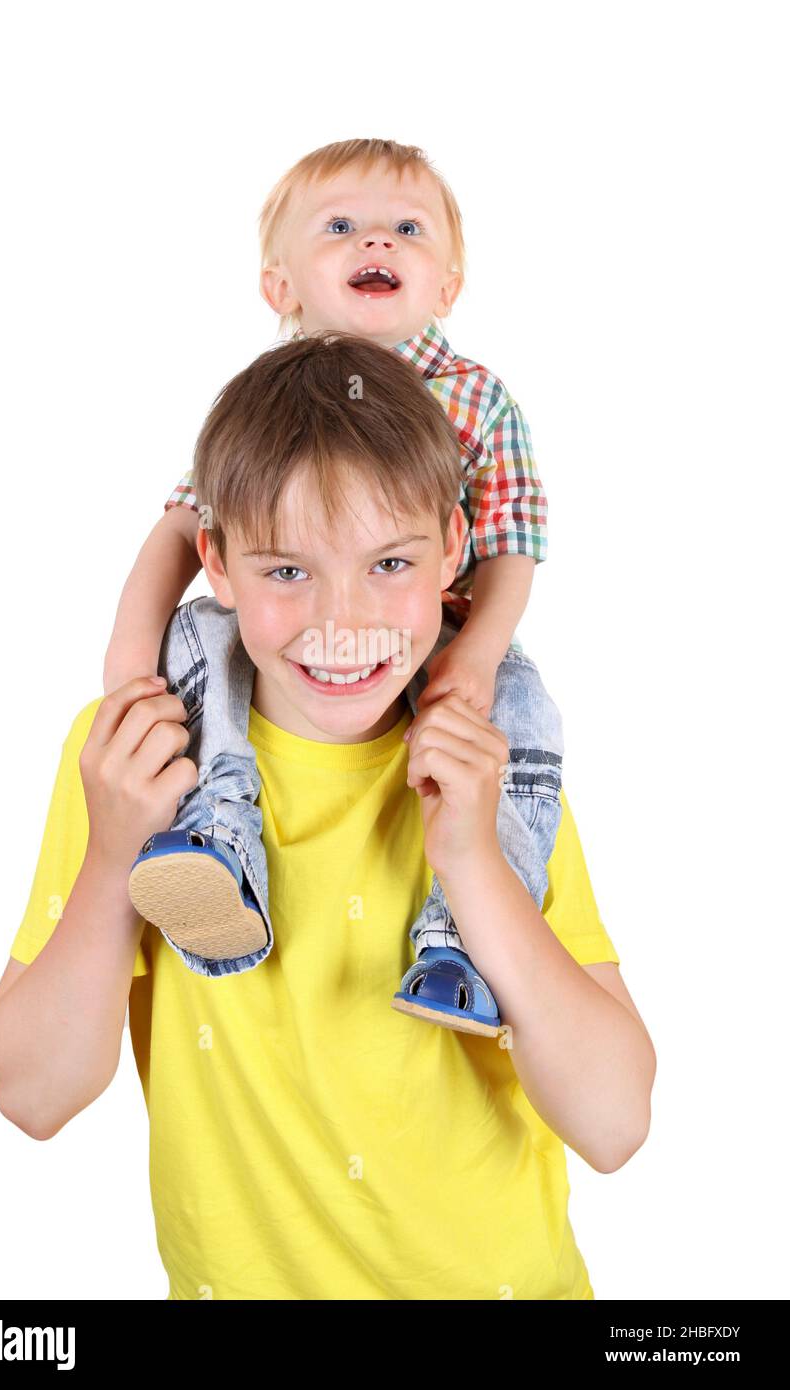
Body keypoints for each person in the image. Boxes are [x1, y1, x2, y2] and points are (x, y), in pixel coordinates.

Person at [0, 334, 656, 1300]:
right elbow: (31, 1097)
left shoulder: (485, 755)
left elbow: (615, 1124)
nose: (344, 618)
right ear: (214, 562)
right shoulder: (139, 749)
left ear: (455, 550)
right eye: (287, 572)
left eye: (389, 562)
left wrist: (472, 861)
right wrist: (113, 858)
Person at [103, 138, 560, 1031]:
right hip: (290, 653)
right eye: (342, 226)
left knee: (524, 709)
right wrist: (131, 656)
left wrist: (478, 654)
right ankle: (220, 836)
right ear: (280, 286)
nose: (376, 243)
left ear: (448, 287)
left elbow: (510, 546)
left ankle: (464, 940)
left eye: (406, 229)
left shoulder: (476, 401)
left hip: (430, 641)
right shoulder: (261, 405)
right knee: (204, 636)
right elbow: (182, 534)